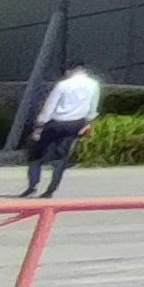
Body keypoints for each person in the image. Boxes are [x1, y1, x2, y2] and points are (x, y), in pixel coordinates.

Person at [23, 66, 100, 197]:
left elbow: (50, 105)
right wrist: (88, 121)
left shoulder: (63, 85)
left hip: (56, 122)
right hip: (77, 123)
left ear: (70, 71)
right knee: (61, 156)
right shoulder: (94, 84)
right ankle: (51, 189)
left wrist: (40, 123)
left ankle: (32, 185)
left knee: (35, 155)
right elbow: (93, 105)